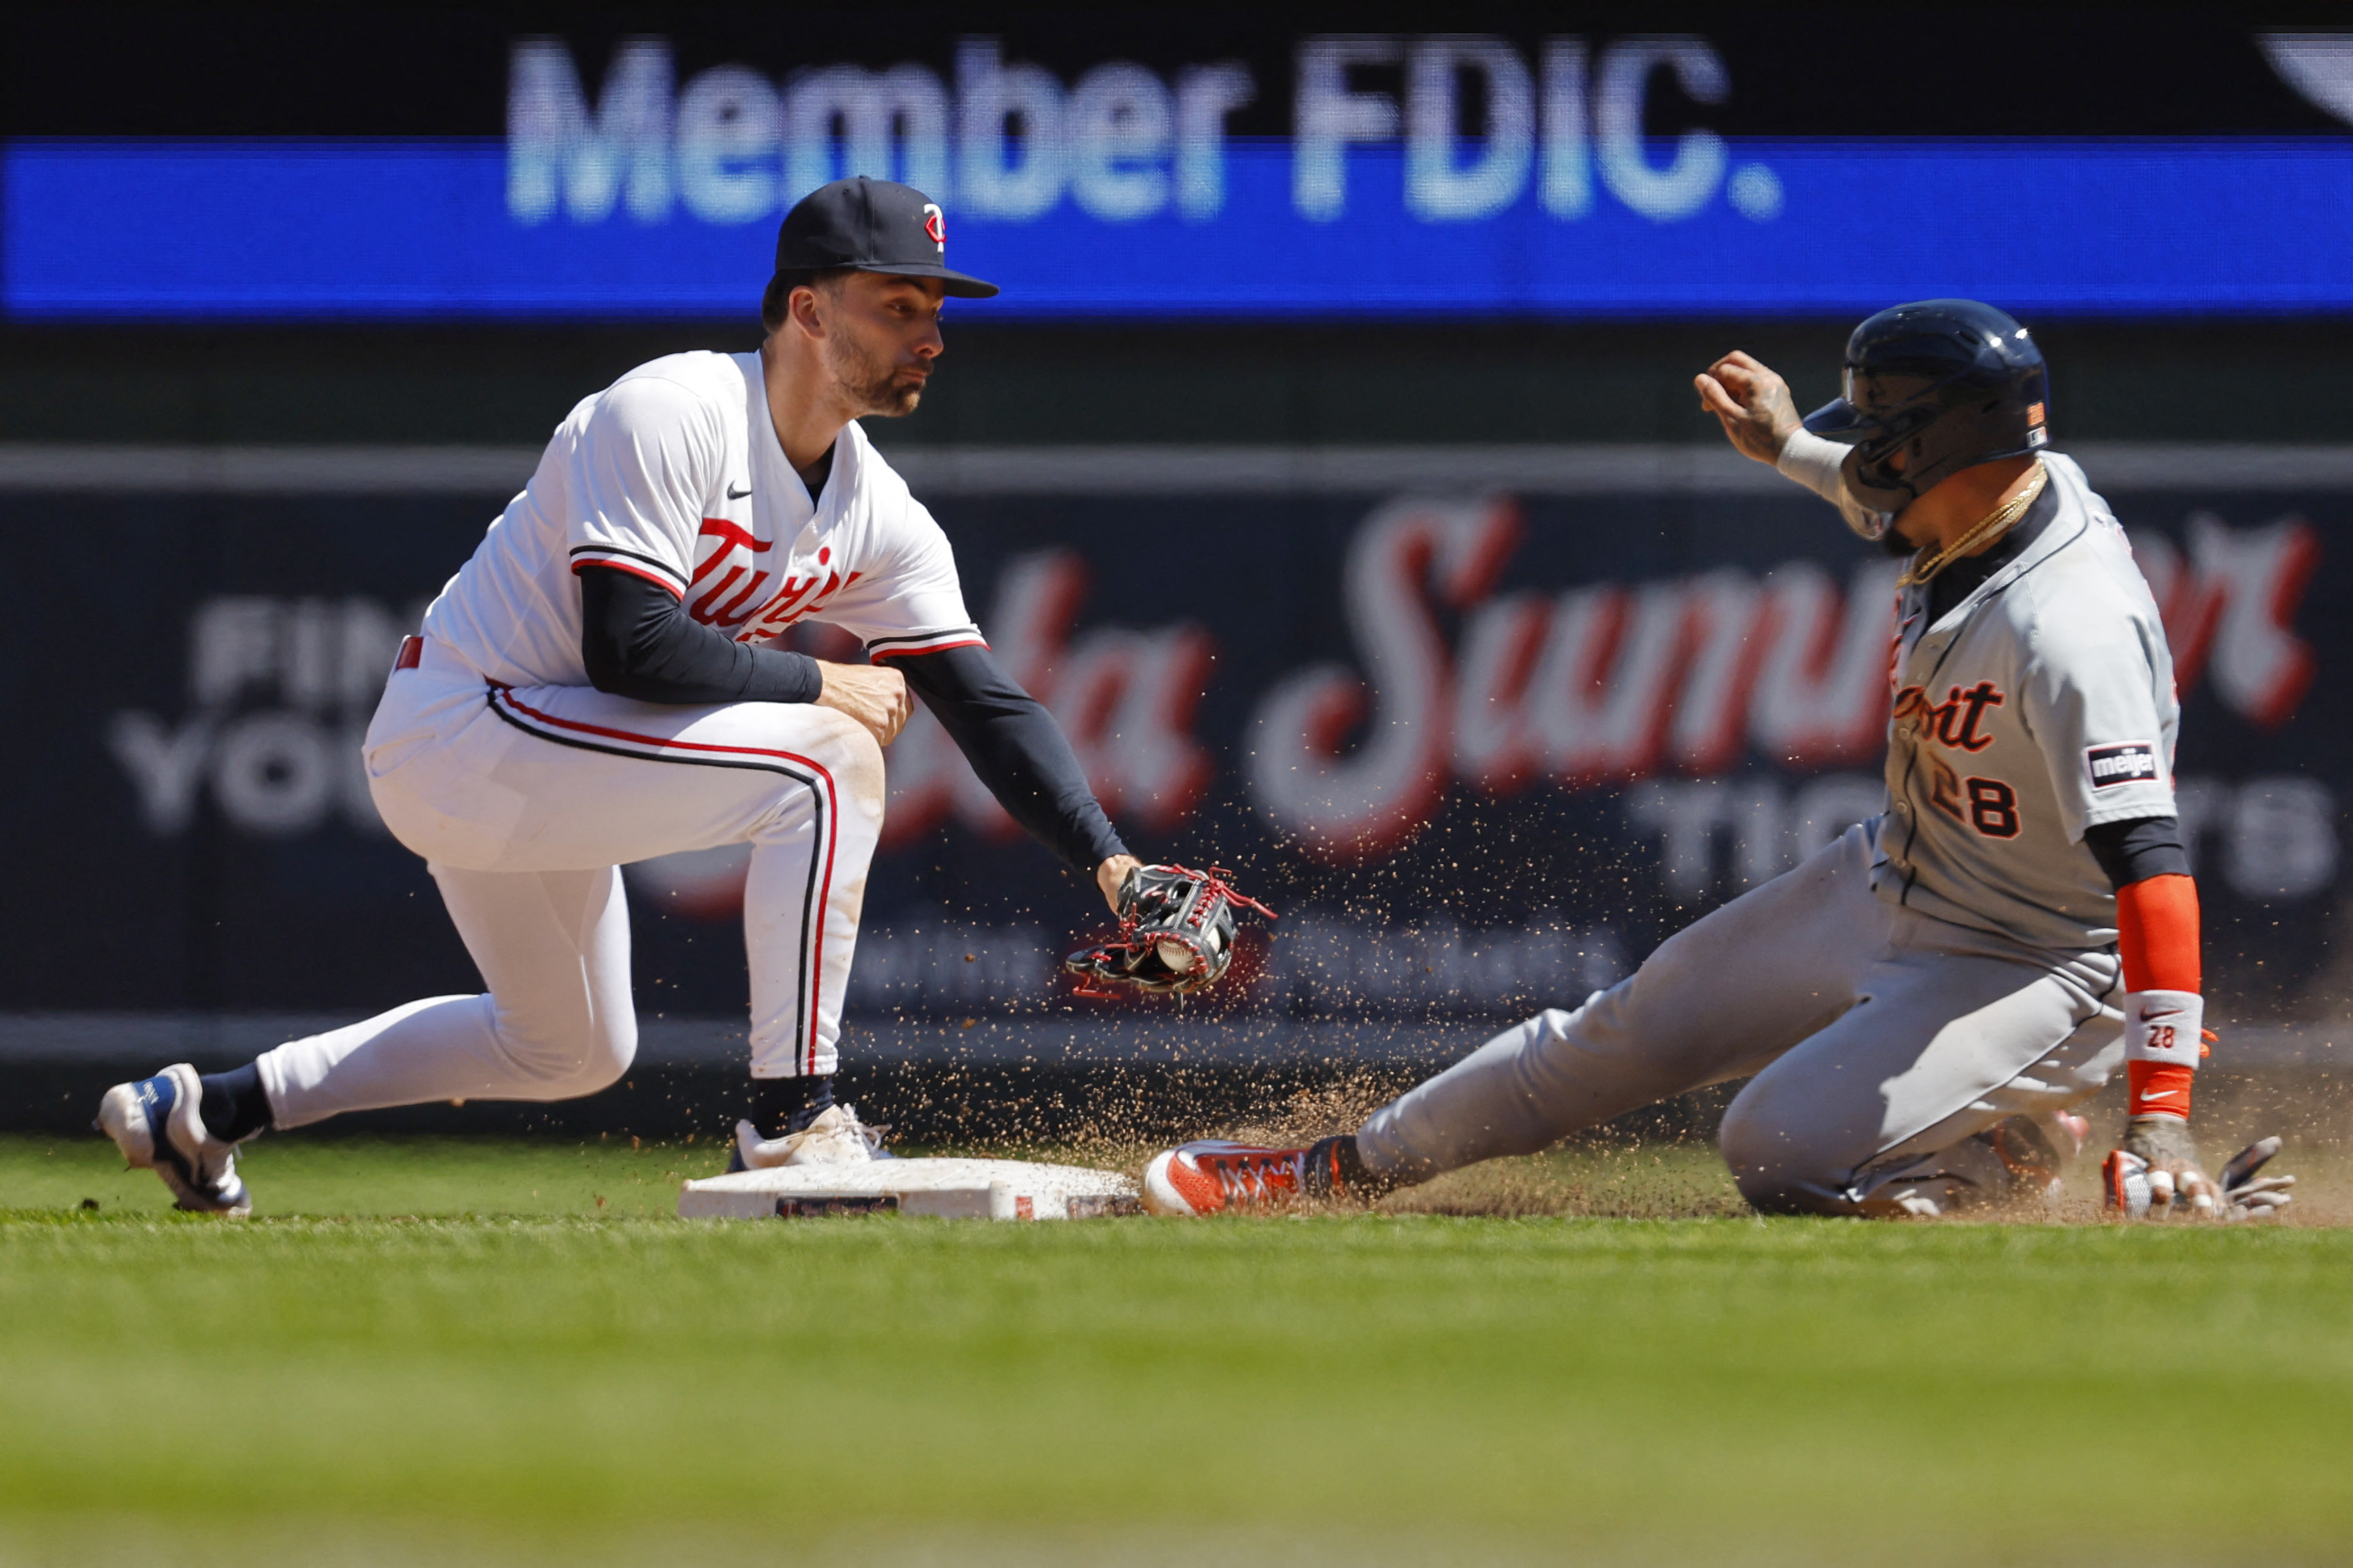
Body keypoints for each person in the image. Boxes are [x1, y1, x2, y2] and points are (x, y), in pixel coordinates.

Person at [97, 176, 1148, 1213]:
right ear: (809, 309)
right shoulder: (673, 410)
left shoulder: (878, 510)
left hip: (553, 758)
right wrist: (819, 678)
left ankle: (207, 1112)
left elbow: (986, 705)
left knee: (570, 1047)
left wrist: (1115, 864)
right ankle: (791, 1121)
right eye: (901, 305)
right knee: (829, 760)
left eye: (936, 312)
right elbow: (629, 647)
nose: (932, 336)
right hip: (464, 727)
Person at [1141, 298, 2290, 1222]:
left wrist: (2164, 1109)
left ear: (1942, 440)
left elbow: (2152, 865)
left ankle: (1991, 1151)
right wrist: (1791, 448)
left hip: (2038, 958)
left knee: (1774, 1150)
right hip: (1898, 876)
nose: (1866, 445)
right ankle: (1331, 1172)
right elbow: (1888, 498)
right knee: (1621, 1031)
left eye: (1881, 424)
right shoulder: (1985, 498)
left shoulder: (2070, 628)